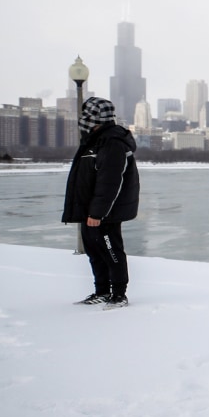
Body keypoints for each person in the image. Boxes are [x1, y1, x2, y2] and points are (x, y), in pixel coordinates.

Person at [62, 97, 141, 309]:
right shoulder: (94, 140)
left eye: (87, 116)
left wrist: (98, 213)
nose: (83, 120)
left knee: (111, 251)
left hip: (106, 213)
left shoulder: (112, 142)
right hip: (89, 210)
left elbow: (110, 182)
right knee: (94, 252)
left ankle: (119, 295)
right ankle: (102, 291)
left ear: (97, 118)